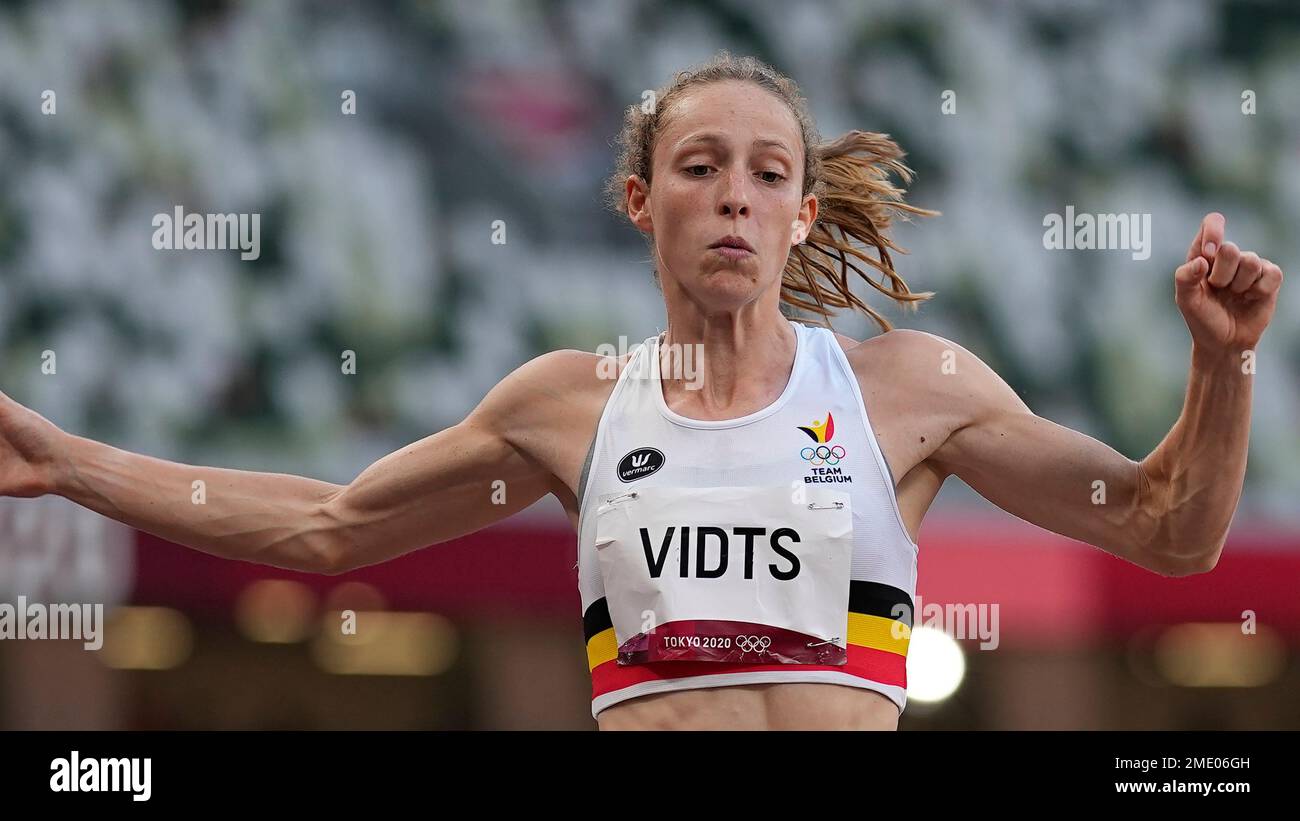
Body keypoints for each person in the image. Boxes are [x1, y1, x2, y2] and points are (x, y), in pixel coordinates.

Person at [0, 54, 1283, 731]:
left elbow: (1169, 528)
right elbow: (327, 524)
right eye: (700, 165)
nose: (734, 192)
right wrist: (64, 462)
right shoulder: (570, 408)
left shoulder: (907, 389)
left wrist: (1221, 360)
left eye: (768, 172)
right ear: (638, 201)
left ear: (799, 213)